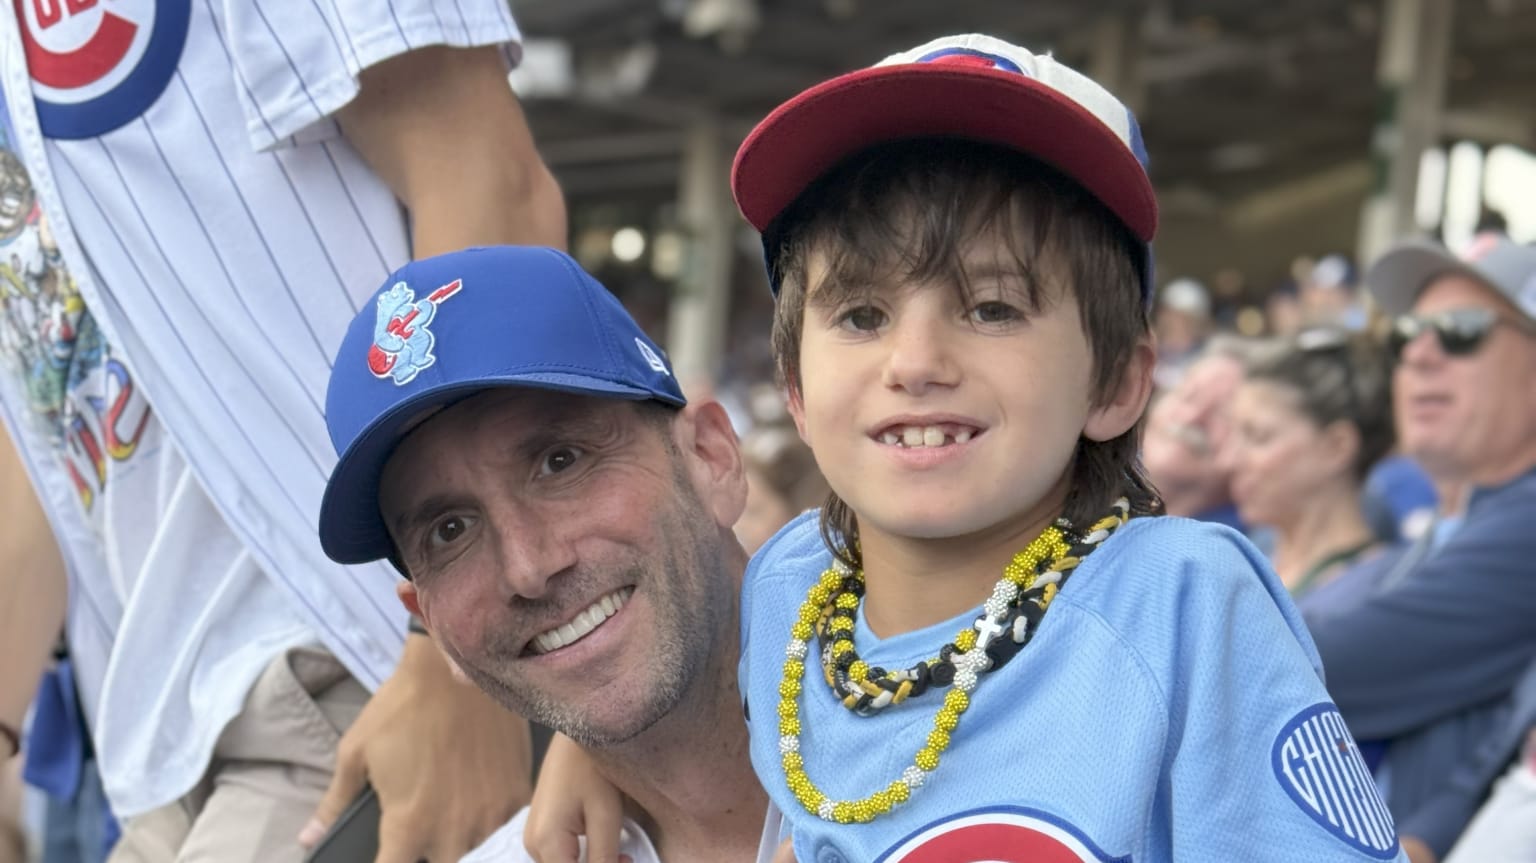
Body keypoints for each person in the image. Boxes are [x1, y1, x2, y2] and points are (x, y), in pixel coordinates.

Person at [0, 3, 564, 860]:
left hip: (351, 661)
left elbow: (488, 183)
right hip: (161, 734)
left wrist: (463, 661)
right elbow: (49, 431)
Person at [317, 245, 773, 863]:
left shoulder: (939, 695)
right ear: (427, 620)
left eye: (561, 461)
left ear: (710, 458)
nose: (529, 567)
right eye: (450, 530)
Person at [1303, 235, 1536, 863]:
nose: (1422, 355)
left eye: (1461, 331)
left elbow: (1318, 666)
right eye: (1408, 335)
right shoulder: (1444, 524)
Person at [1221, 328, 1395, 597]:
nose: (1229, 461)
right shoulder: (1250, 556)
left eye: (1259, 437)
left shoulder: (1368, 592)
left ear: (1337, 447)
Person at [1141, 335, 1252, 531]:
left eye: (1222, 413)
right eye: (1188, 396)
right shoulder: (1085, 494)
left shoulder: (1246, 552)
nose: (1193, 417)